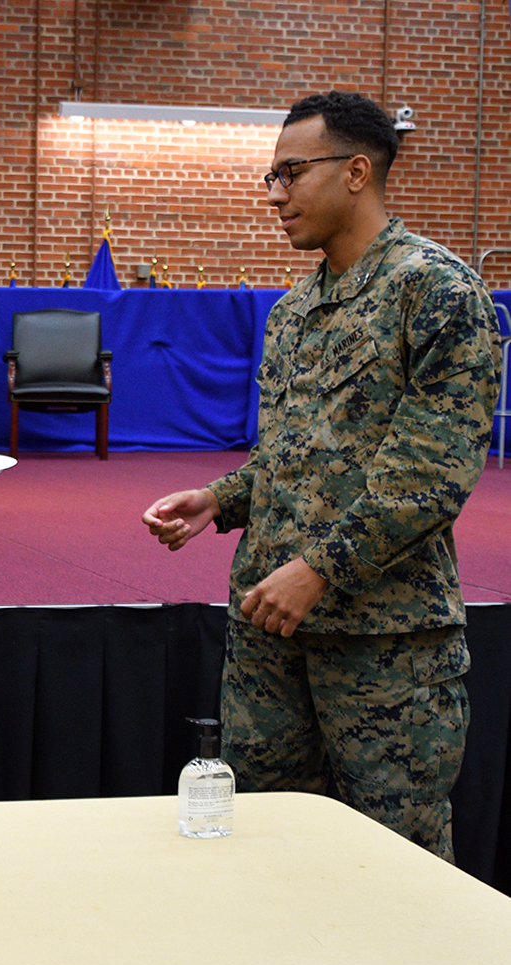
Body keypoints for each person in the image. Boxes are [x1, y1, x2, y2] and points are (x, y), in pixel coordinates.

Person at [141, 91, 500, 861]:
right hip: (272, 631)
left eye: (291, 173)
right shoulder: (294, 310)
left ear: (358, 171)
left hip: (385, 643)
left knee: (391, 859)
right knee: (264, 847)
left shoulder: (437, 291)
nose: (274, 195)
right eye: (270, 176)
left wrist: (320, 571)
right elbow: (296, 453)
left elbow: (431, 474)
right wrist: (221, 498)